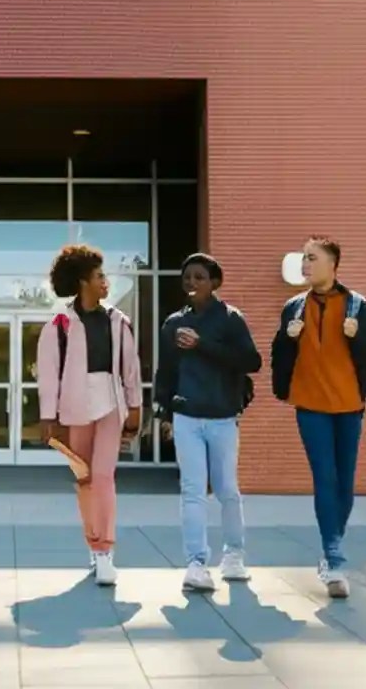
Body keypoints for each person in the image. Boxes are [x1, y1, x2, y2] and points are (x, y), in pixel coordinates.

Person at [271, 236, 366, 598]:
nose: (305, 264)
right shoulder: (293, 307)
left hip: (349, 404)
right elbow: (278, 354)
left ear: (332, 265)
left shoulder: (357, 306)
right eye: (304, 258)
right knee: (325, 477)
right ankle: (334, 557)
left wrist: (357, 336)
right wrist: (289, 339)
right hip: (310, 404)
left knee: (345, 483)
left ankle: (330, 546)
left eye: (312, 258)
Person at [155, 253, 262, 592]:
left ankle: (233, 556)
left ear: (215, 282)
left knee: (227, 490)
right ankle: (196, 563)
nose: (192, 283)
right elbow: (166, 373)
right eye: (187, 277)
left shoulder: (231, 320)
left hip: (222, 418)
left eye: (199, 277)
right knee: (192, 491)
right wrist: (163, 413)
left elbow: (251, 361)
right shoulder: (173, 324)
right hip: (186, 416)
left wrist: (202, 345)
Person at [37, 244, 143, 586]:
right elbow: (49, 374)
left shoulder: (117, 321)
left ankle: (105, 552)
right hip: (74, 409)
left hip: (111, 406)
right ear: (83, 281)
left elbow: (131, 369)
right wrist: (47, 417)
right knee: (85, 480)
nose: (105, 282)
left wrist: (135, 408)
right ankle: (94, 545)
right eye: (99, 276)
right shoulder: (59, 325)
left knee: (103, 477)